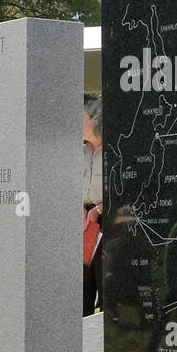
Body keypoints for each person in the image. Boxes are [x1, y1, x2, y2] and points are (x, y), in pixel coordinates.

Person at [82, 96, 104, 315]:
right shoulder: (82, 151)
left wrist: (98, 211)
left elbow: (121, 188)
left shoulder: (113, 152)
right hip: (83, 224)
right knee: (81, 287)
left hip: (105, 222)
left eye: (84, 118)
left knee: (103, 279)